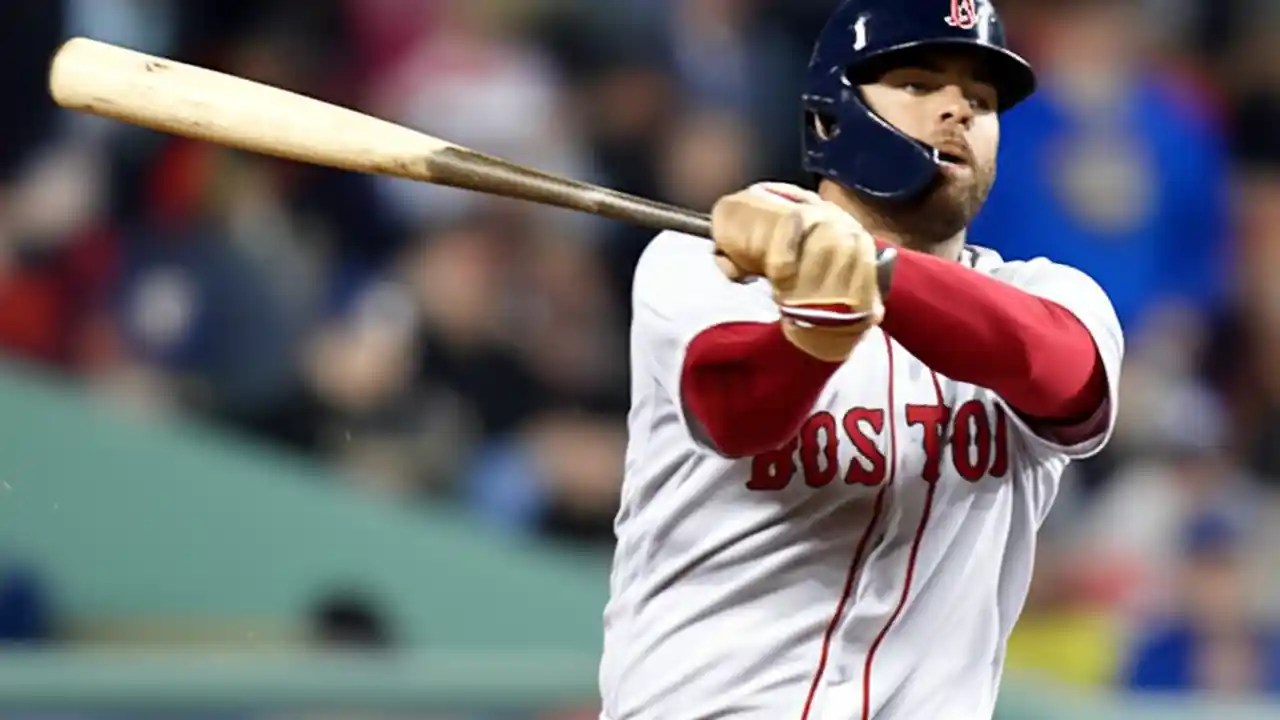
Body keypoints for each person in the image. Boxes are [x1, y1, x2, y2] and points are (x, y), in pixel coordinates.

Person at [598, 1, 1123, 718]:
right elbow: (733, 409)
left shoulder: (1046, 294)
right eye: (916, 85)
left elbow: (1061, 373)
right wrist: (816, 324)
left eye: (980, 99)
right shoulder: (703, 260)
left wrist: (869, 269)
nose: (957, 112)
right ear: (828, 116)